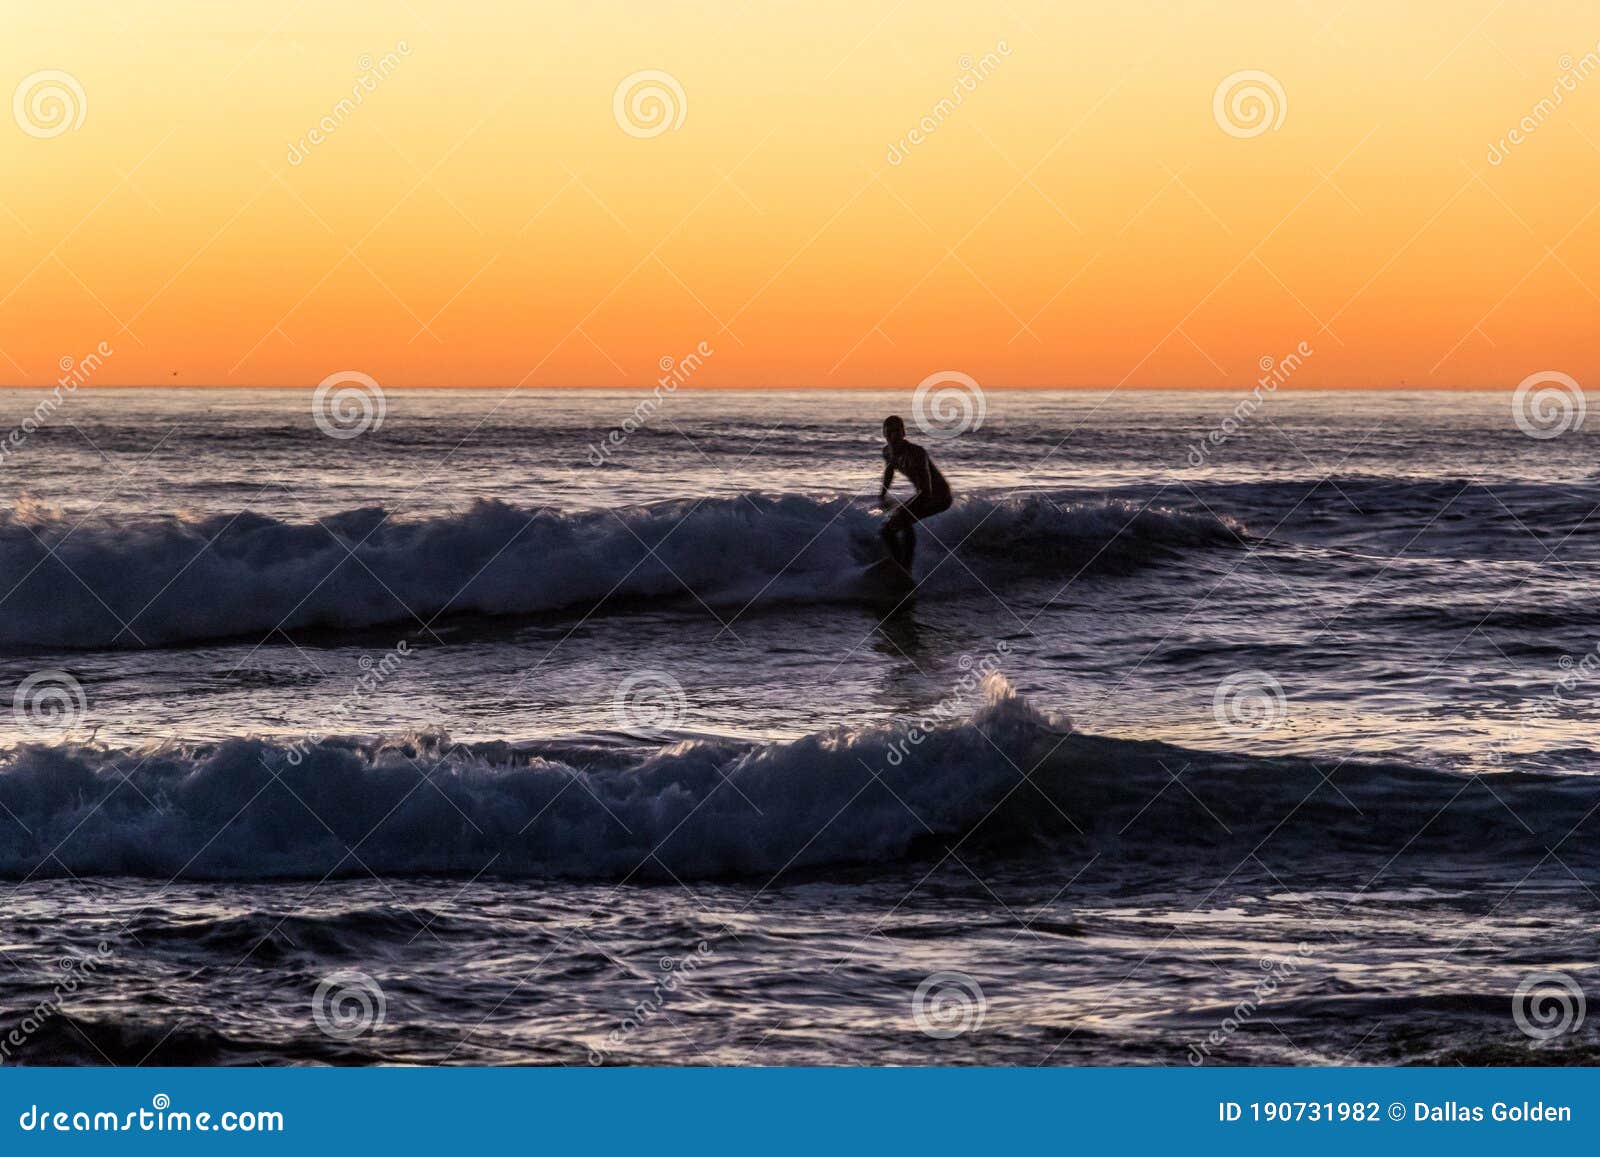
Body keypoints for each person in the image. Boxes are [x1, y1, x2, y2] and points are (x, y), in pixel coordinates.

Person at [878, 415, 952, 573]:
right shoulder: (887, 452)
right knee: (886, 531)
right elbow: (889, 470)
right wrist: (882, 494)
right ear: (884, 434)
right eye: (890, 432)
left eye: (897, 431)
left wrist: (903, 511)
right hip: (923, 494)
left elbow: (926, 491)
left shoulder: (917, 453)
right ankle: (899, 565)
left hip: (940, 497)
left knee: (903, 518)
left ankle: (906, 569)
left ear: (904, 433)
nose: (894, 435)